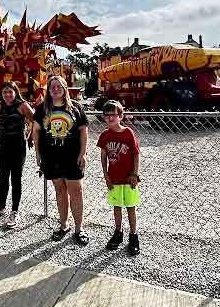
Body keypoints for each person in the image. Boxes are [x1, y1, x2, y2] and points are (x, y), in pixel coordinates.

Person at [33, 75, 90, 245]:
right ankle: (64, 225)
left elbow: (83, 132)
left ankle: (79, 228)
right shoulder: (42, 109)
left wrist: (83, 153)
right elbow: (36, 131)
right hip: (51, 157)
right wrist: (37, 153)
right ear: (48, 90)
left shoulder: (76, 108)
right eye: (52, 86)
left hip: (72, 156)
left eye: (59, 86)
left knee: (76, 191)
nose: (56, 89)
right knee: (59, 190)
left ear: (65, 88)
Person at [0, 82, 35, 229]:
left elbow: (35, 120)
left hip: (18, 147)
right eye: (5, 92)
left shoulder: (23, 105)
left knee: (16, 179)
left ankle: (15, 211)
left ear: (15, 92)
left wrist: (30, 136)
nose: (7, 95)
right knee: (3, 178)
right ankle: (1, 208)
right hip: (3, 147)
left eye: (10, 92)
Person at [97, 100, 141, 255]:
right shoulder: (105, 135)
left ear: (120, 116)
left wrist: (135, 173)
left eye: (113, 115)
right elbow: (103, 156)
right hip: (114, 178)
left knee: (130, 207)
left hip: (128, 178)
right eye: (106, 115)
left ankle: (133, 235)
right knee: (117, 207)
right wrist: (106, 176)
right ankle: (118, 232)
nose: (110, 118)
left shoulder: (128, 132)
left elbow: (136, 153)